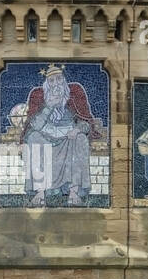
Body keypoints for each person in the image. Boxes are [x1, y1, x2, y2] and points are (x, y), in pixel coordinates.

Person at [21, 65, 95, 206]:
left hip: (68, 138)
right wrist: (49, 106)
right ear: (47, 84)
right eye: (52, 81)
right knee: (33, 138)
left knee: (81, 139)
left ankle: (73, 192)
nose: (56, 84)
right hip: (45, 137)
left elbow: (86, 122)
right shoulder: (38, 96)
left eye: (59, 79)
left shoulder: (74, 94)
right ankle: (40, 192)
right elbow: (34, 125)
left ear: (64, 81)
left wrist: (78, 129)